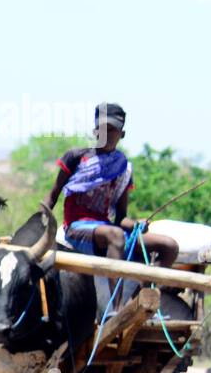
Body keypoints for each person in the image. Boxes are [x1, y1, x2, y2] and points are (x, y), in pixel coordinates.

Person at [42, 102, 178, 267]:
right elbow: (52, 196)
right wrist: (38, 224)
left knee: (169, 246)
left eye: (112, 130)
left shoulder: (123, 167)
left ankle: (145, 290)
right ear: (95, 131)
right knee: (116, 235)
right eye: (102, 128)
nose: (106, 134)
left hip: (108, 229)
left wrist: (136, 225)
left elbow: (121, 218)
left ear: (122, 134)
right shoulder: (76, 157)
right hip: (77, 228)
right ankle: (117, 293)